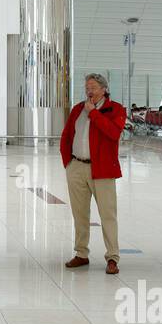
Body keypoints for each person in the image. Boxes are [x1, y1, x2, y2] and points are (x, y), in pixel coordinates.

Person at [59, 72, 127, 274]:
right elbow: (67, 135)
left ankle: (112, 257)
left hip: (102, 169)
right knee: (79, 213)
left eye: (93, 88)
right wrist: (68, 162)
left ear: (104, 89)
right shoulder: (78, 109)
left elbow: (113, 133)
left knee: (107, 214)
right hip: (77, 167)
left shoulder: (115, 109)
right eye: (87, 87)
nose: (89, 91)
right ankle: (81, 253)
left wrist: (94, 114)